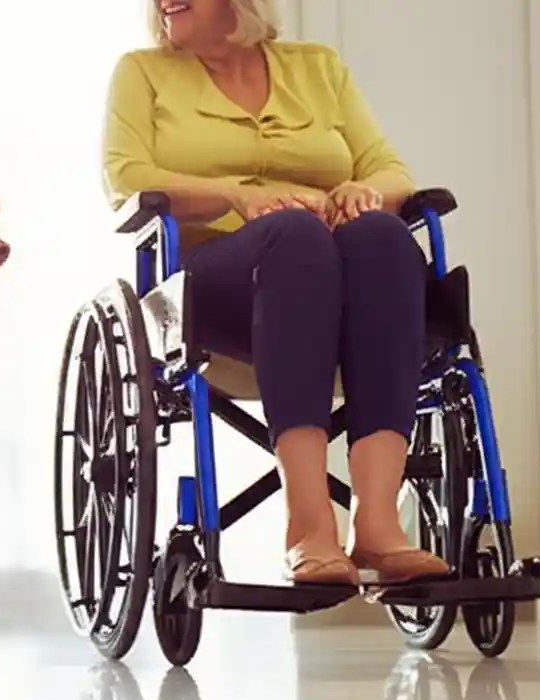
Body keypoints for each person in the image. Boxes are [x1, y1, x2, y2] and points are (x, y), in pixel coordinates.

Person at [101, 0, 450, 585]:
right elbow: (126, 177)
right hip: (217, 292)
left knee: (384, 235)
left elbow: (393, 173)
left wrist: (359, 192)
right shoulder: (143, 72)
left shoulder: (319, 68)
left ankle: (379, 523)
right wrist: (235, 194)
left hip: (344, 292)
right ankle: (309, 524)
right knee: (295, 237)